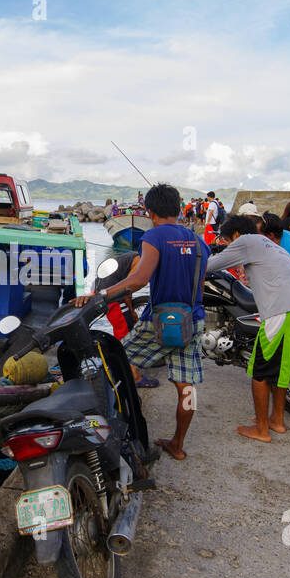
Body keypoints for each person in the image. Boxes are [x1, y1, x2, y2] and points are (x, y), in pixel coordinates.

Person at [74, 183, 208, 462]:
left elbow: (139, 279)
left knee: (113, 363)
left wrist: (99, 294)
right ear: (178, 208)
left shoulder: (154, 236)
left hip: (158, 320)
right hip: (192, 321)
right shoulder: (199, 242)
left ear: (150, 211)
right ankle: (178, 444)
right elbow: (201, 284)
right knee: (187, 387)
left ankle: (114, 432)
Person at [207, 216, 290, 442]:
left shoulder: (245, 241)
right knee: (280, 371)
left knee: (260, 372)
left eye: (228, 240)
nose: (229, 245)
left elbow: (210, 266)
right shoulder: (270, 244)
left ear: (236, 234)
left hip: (282, 311)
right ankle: (276, 421)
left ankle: (262, 429)